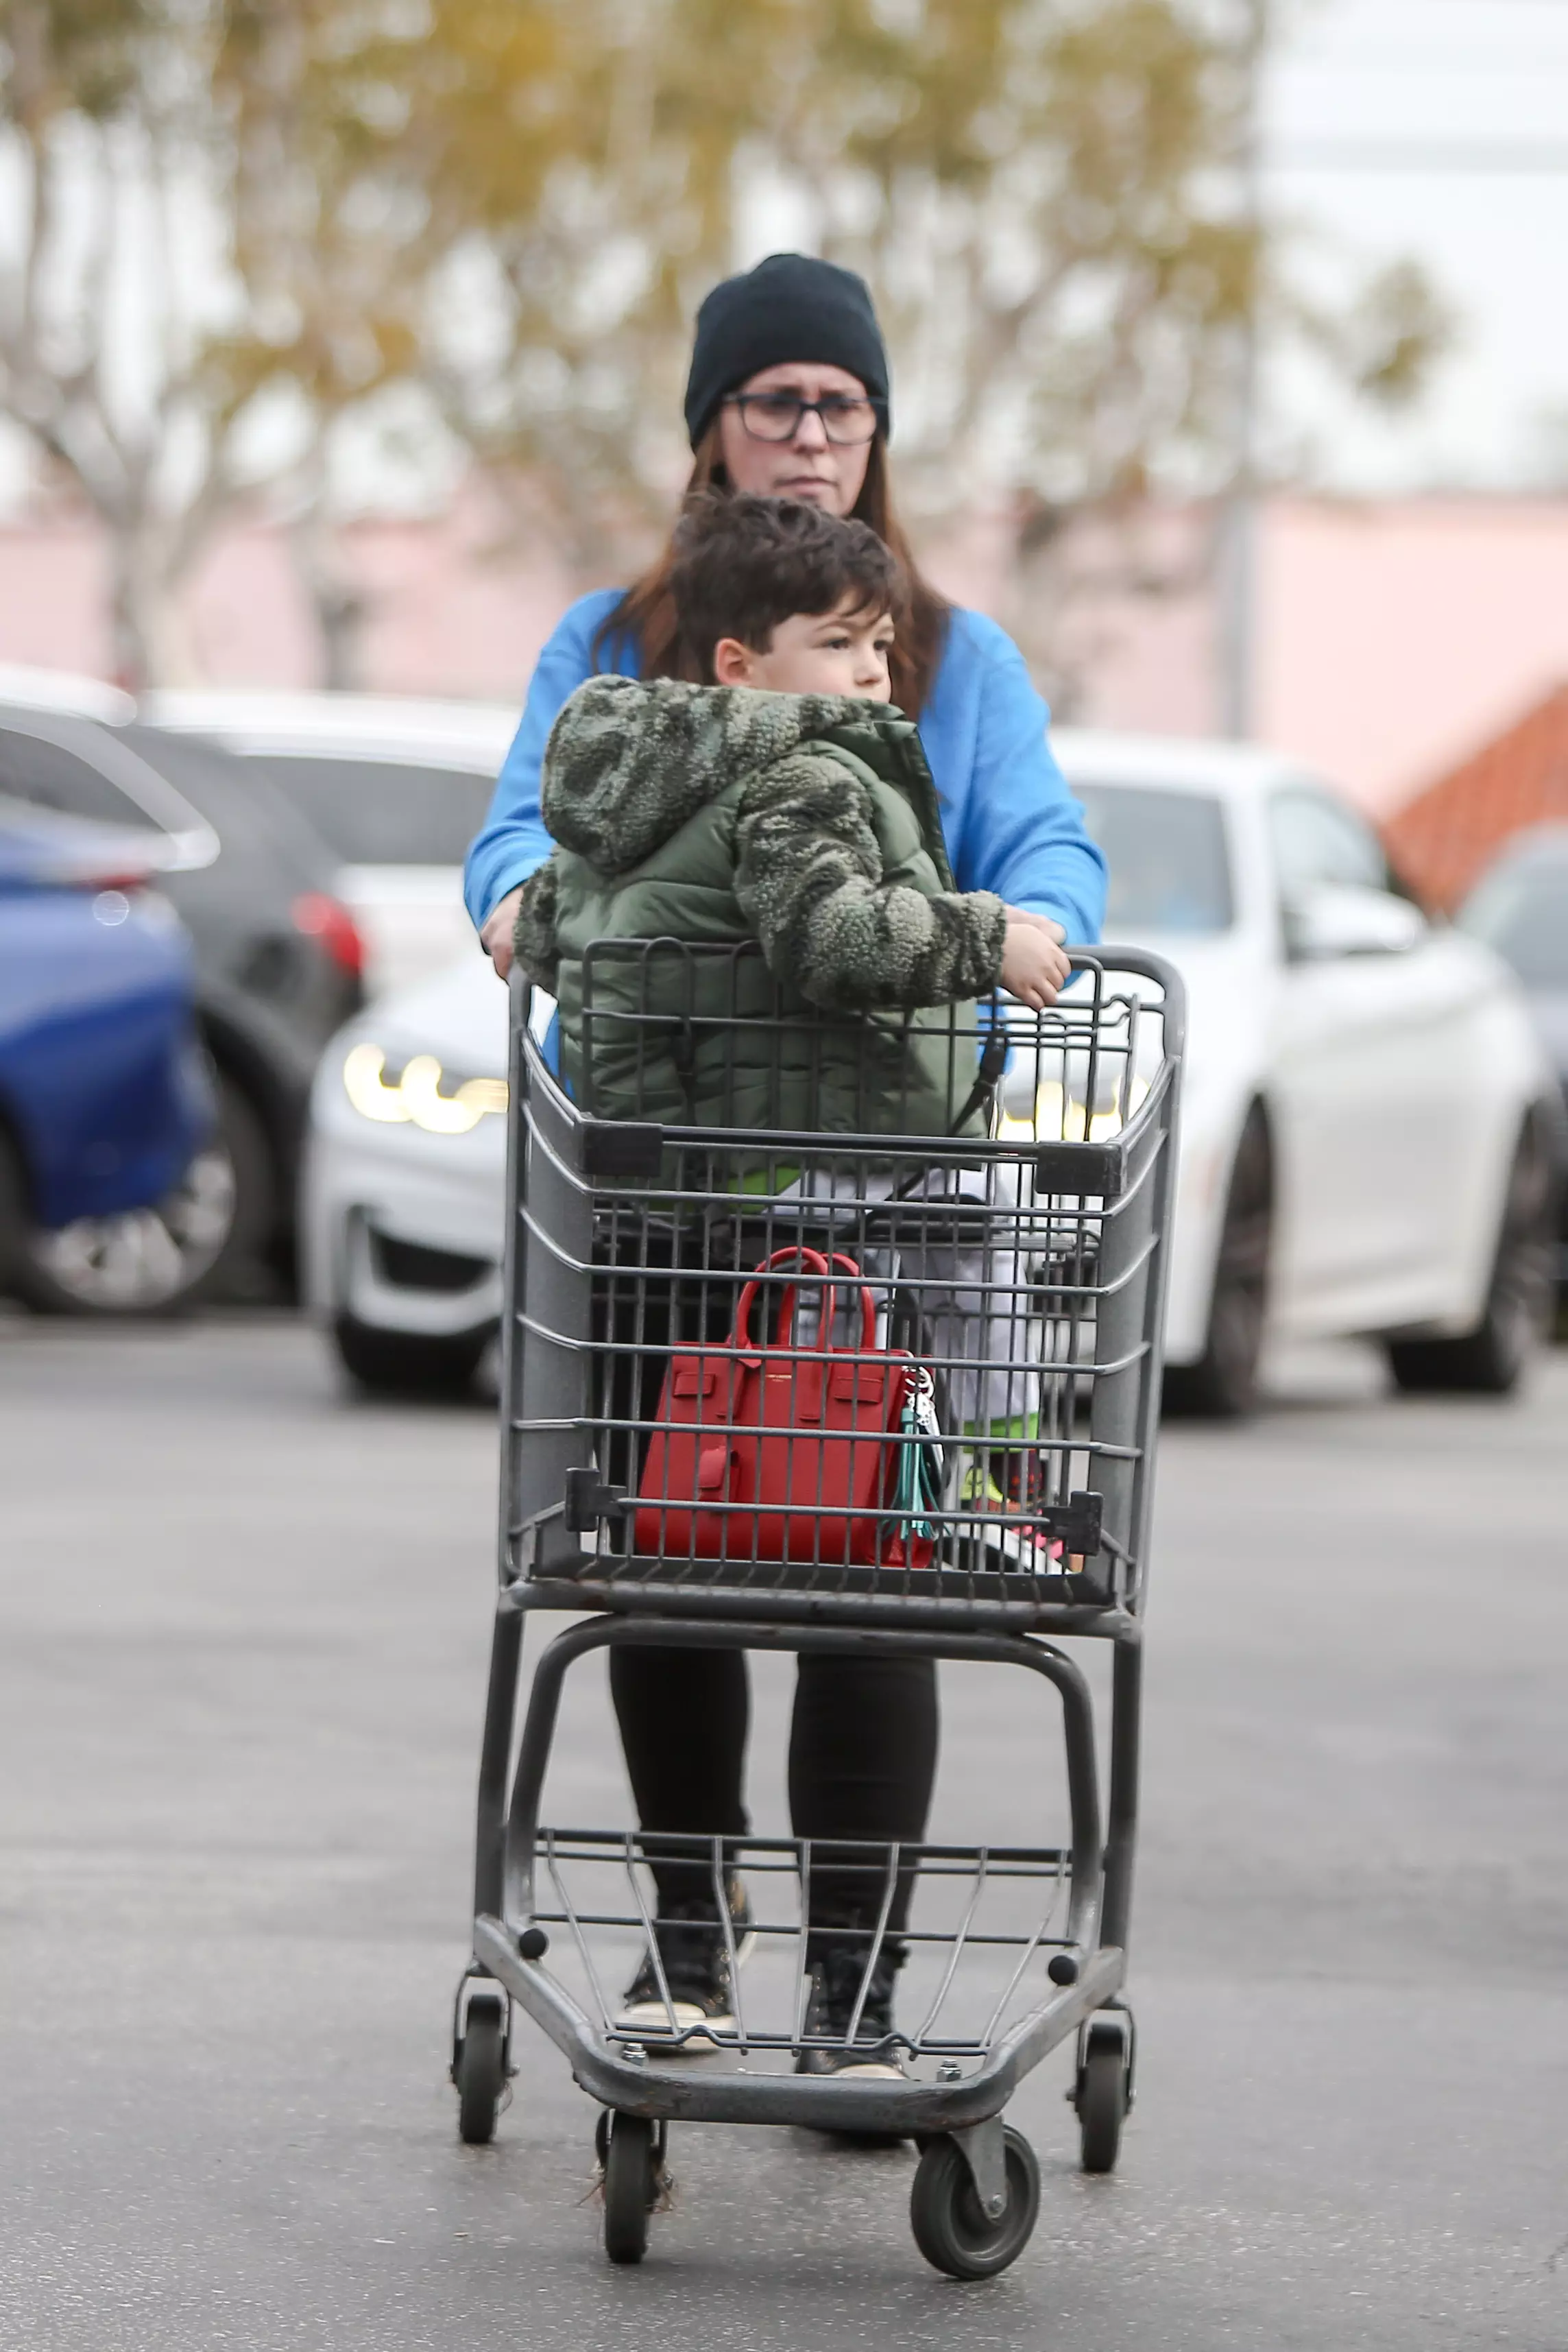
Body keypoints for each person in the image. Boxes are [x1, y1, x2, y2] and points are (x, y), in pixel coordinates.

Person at [465, 252, 1106, 2080]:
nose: (807, 434)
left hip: (870, 1172)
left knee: (859, 1561)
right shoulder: (613, 639)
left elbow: (1040, 841)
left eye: (840, 405)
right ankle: (684, 1940)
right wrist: (518, 901)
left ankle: (848, 1991)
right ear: (708, 431)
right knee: (676, 1545)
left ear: (876, 437)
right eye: (774, 402)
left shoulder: (943, 649)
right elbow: (520, 821)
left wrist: (1026, 926)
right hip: (663, 1163)